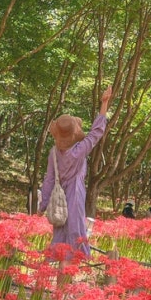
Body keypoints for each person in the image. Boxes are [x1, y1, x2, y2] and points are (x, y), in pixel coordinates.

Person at [39, 86, 112, 257]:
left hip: (58, 198)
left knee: (60, 234)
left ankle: (58, 270)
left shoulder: (53, 153)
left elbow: (49, 180)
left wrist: (42, 205)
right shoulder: (78, 151)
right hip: (75, 195)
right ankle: (71, 271)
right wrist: (104, 103)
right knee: (75, 233)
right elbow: (96, 133)